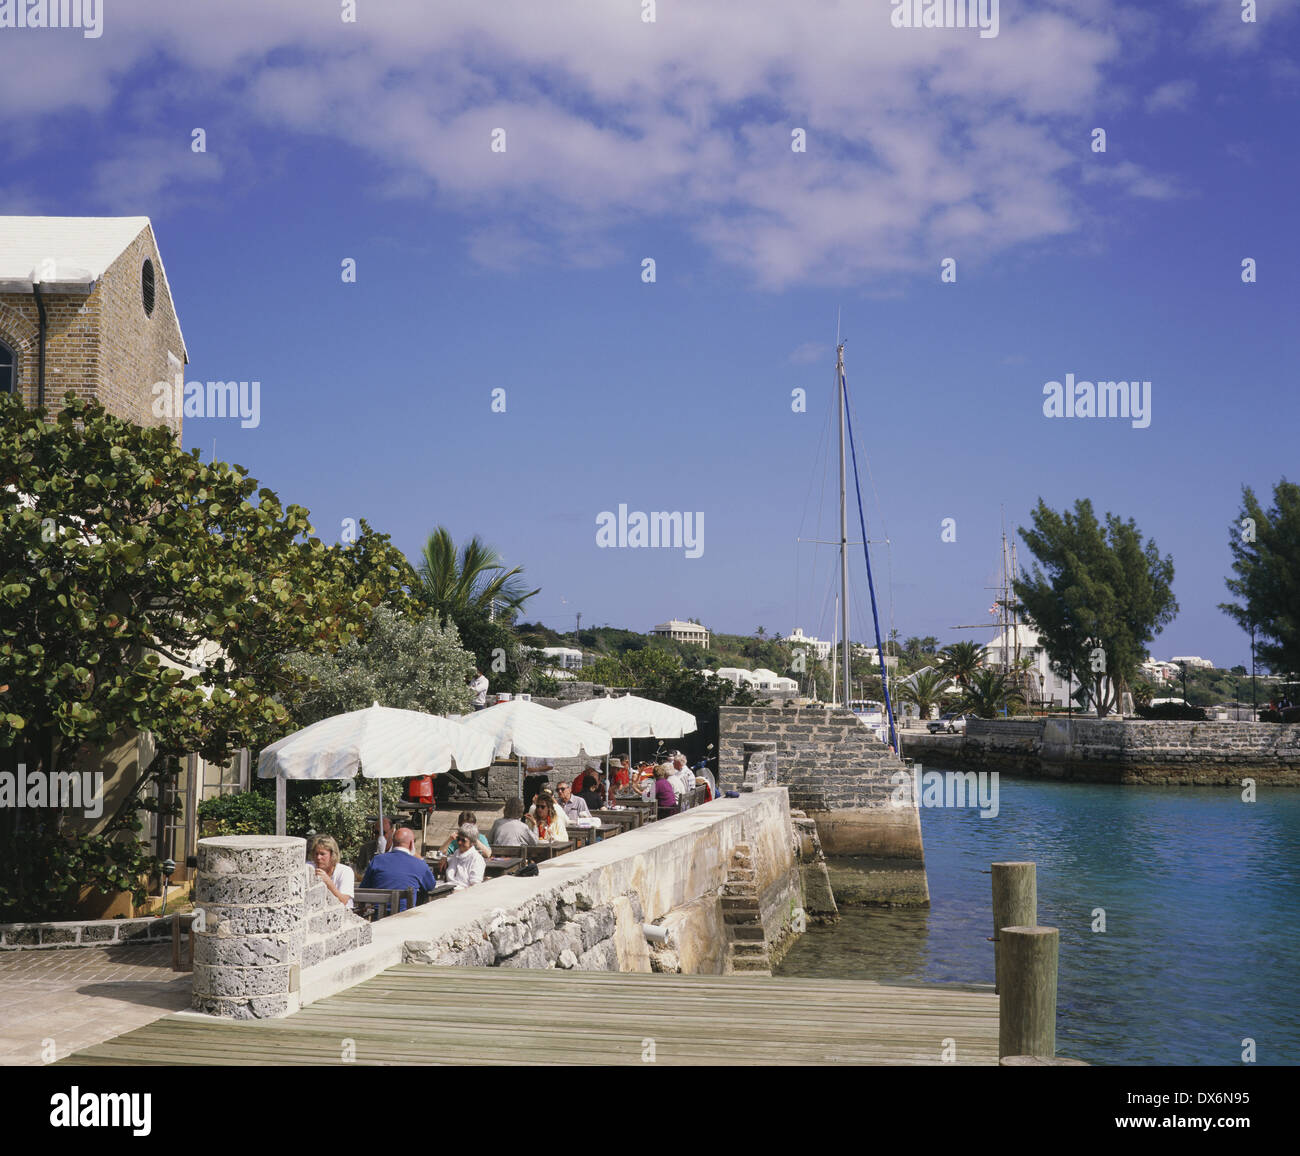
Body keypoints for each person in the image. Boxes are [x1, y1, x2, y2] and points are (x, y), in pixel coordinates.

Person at [360, 827, 438, 909]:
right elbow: (430, 886)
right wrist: (421, 859)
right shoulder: (419, 864)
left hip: (378, 918)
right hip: (405, 917)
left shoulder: (377, 860)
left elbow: (364, 888)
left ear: (393, 842)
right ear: (412, 844)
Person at [307, 834, 354, 910]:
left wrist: (329, 883)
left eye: (322, 854)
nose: (318, 857)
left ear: (332, 855)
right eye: (316, 854)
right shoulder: (310, 868)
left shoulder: (345, 872)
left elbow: (343, 901)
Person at [444, 824, 486, 889]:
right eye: (458, 839)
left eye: (463, 840)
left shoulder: (476, 859)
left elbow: (475, 887)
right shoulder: (457, 853)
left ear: (472, 842)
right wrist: (444, 859)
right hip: (448, 888)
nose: (459, 842)